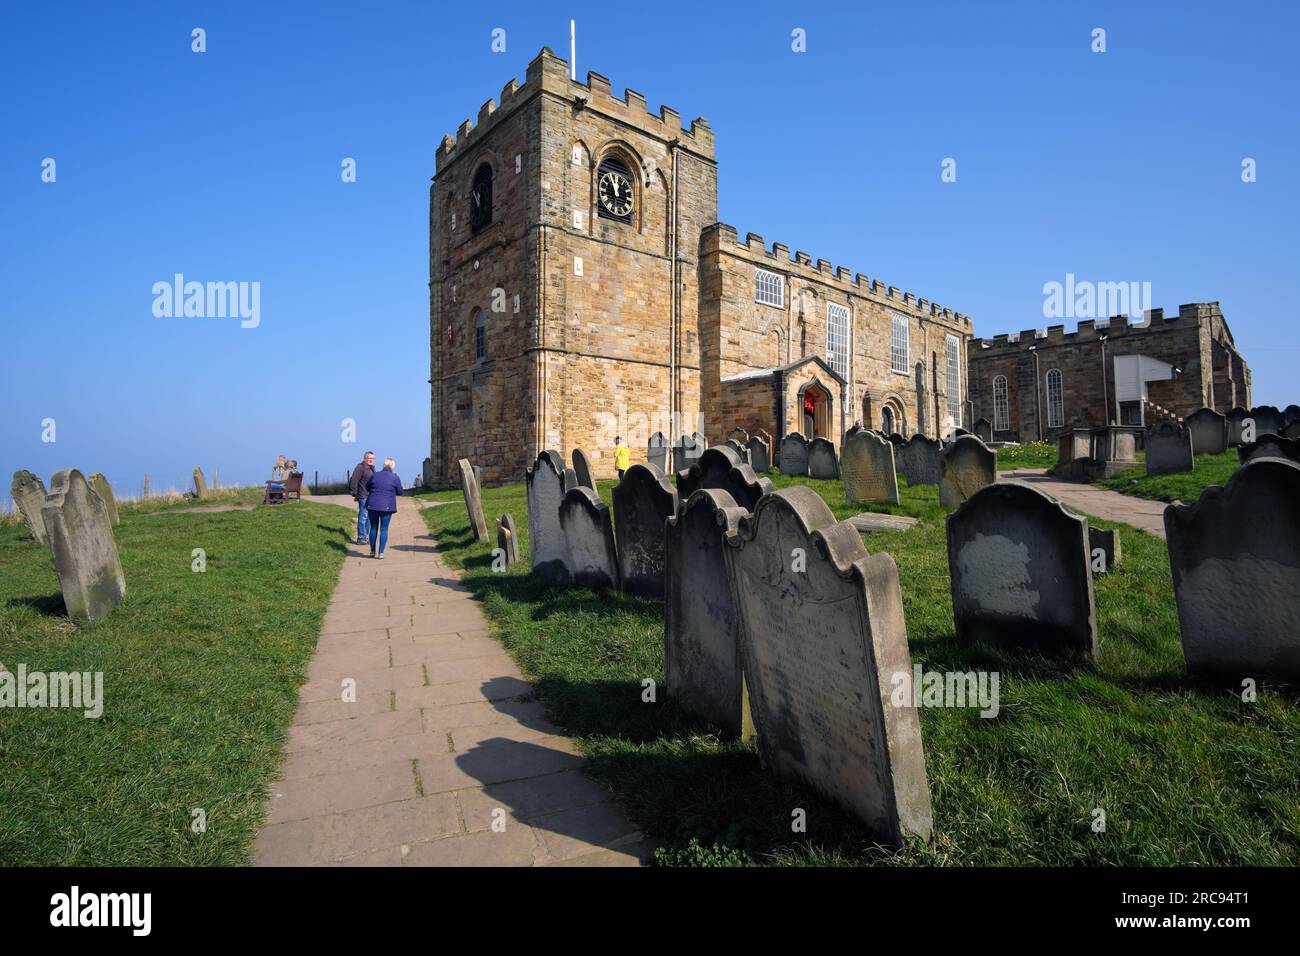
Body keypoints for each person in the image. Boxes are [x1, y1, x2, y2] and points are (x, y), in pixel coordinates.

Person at [365, 457, 403, 559]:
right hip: (387, 506)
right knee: (384, 529)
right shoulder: (395, 477)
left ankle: (372, 551)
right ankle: (381, 553)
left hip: (372, 504)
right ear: (393, 466)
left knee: (373, 527)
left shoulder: (375, 475)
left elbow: (367, 487)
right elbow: (400, 492)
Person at [348, 451, 376, 545]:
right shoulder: (360, 467)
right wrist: (354, 492)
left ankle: (365, 537)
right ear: (365, 458)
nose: (371, 460)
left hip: (371, 496)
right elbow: (354, 480)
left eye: (373, 458)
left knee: (369, 518)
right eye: (370, 458)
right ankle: (360, 537)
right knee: (363, 516)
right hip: (363, 496)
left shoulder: (371, 468)